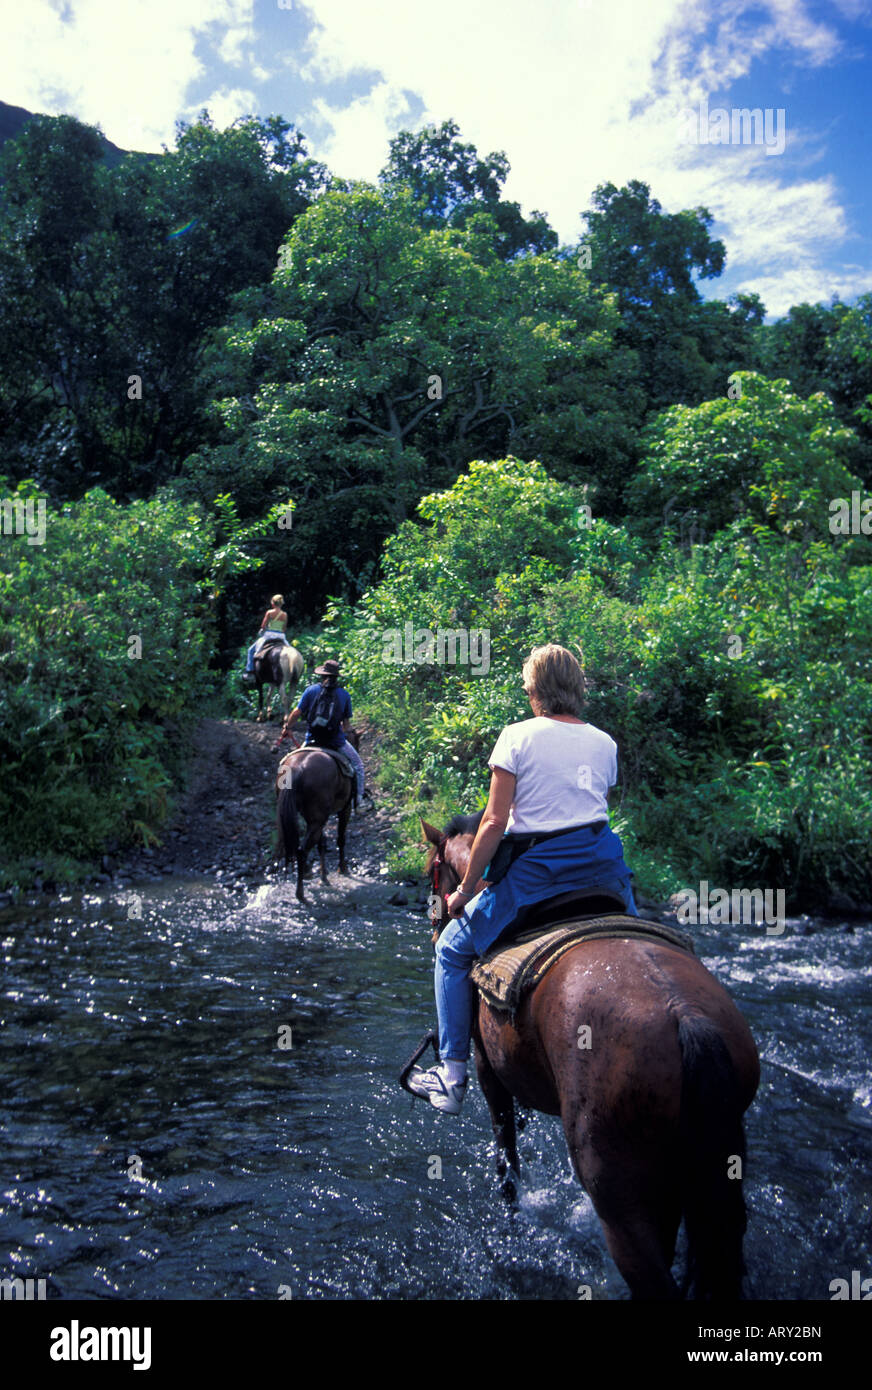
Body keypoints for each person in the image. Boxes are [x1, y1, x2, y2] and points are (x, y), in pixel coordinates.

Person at [408, 644, 637, 1115]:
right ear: (577, 689)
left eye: (528, 687)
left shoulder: (516, 737)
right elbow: (581, 808)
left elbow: (492, 823)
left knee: (451, 949)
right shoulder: (605, 743)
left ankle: (451, 1076)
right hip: (605, 868)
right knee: (638, 938)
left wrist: (465, 891)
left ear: (535, 691)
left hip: (541, 875)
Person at [282, 659, 366, 808]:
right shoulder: (344, 695)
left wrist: (288, 727)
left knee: (286, 763)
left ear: (322, 675)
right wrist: (349, 732)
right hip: (336, 741)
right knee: (358, 766)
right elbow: (346, 725)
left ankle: (281, 796)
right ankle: (359, 800)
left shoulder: (311, 690)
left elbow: (296, 712)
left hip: (312, 739)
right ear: (336, 676)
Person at [243, 595, 290, 679]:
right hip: (280, 636)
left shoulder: (269, 612)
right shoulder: (284, 614)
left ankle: (249, 671)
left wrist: (262, 630)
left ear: (273, 603)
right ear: (281, 604)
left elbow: (263, 625)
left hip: (269, 635)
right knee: (290, 651)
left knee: (251, 650)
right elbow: (284, 628)